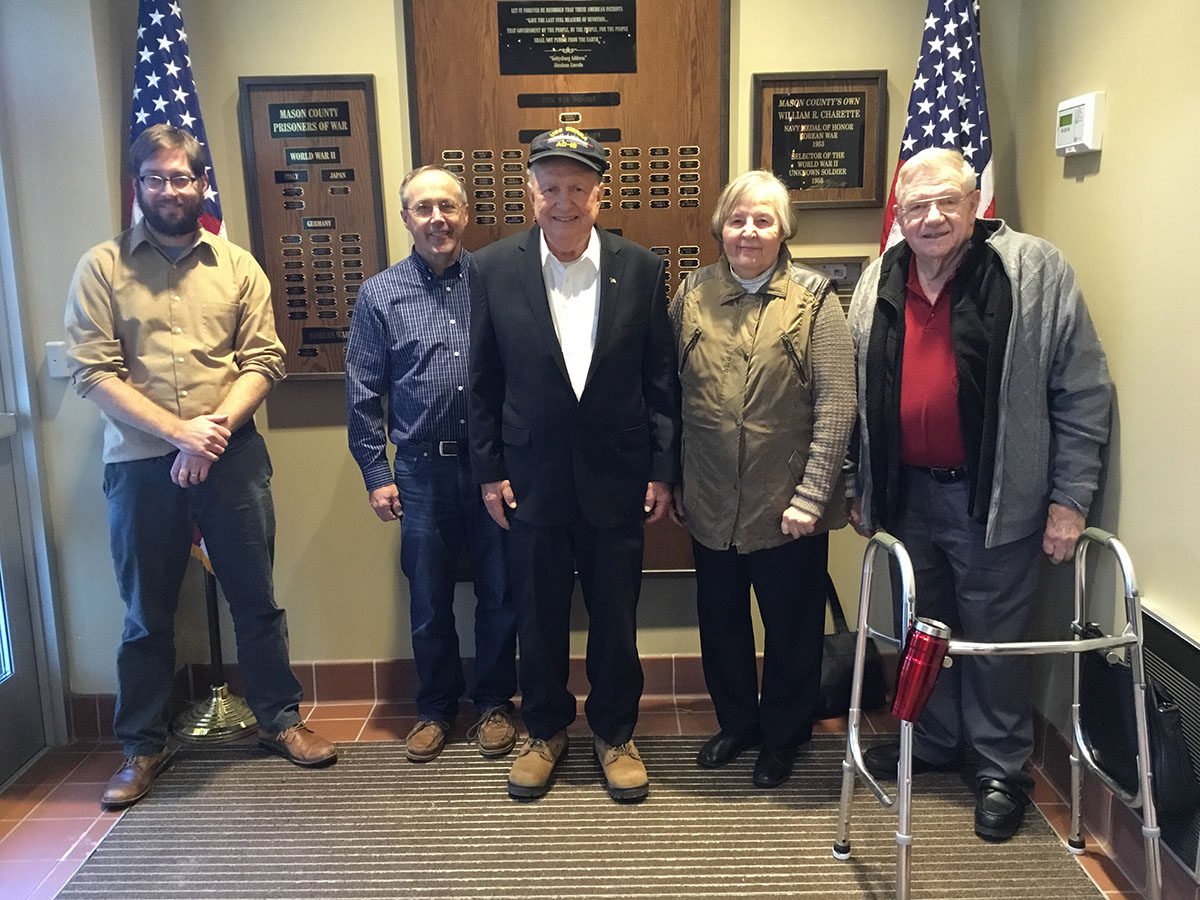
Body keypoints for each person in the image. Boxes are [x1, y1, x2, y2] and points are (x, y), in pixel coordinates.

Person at [64, 124, 336, 810]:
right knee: (146, 613)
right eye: (155, 178)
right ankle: (141, 745)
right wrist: (179, 433)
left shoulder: (238, 266)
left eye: (182, 177)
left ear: (201, 184)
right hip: (141, 463)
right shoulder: (101, 267)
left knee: (256, 600)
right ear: (138, 187)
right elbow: (93, 373)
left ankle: (279, 720)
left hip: (232, 455)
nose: (169, 189)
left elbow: (265, 360)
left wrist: (209, 434)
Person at [848, 147, 1112, 841]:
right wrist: (862, 484)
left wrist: (1070, 499)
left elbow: (1081, 389)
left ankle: (1000, 768)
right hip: (907, 496)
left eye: (947, 202)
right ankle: (934, 743)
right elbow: (858, 394)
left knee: (991, 641)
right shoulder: (881, 275)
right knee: (922, 629)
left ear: (975, 203)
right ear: (898, 214)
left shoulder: (1032, 270)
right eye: (916, 206)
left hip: (994, 499)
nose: (932, 217)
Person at [468, 126, 681, 802]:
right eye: (550, 187)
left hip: (618, 479)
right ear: (531, 191)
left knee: (617, 618)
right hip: (530, 481)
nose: (564, 201)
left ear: (600, 193)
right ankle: (546, 730)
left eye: (578, 188)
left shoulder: (642, 269)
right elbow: (481, 381)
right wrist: (489, 471)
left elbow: (661, 382)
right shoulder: (492, 267)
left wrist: (662, 469)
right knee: (538, 615)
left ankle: (615, 733)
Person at [668, 170, 856, 788]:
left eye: (763, 220)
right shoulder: (690, 294)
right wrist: (672, 480)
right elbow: (667, 395)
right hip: (710, 501)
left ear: (784, 231)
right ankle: (737, 724)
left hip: (787, 507)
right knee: (721, 624)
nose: (749, 231)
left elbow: (837, 406)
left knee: (790, 629)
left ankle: (782, 735)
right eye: (738, 219)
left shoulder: (815, 298)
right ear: (721, 226)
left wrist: (813, 495)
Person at [345, 165, 517, 763]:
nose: (437, 219)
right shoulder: (379, 295)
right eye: (424, 209)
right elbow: (363, 394)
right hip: (419, 471)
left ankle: (495, 704)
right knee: (429, 598)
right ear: (406, 219)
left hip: (495, 469)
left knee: (501, 591)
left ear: (465, 214)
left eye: (448, 206)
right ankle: (436, 709)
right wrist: (376, 474)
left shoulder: (497, 283)